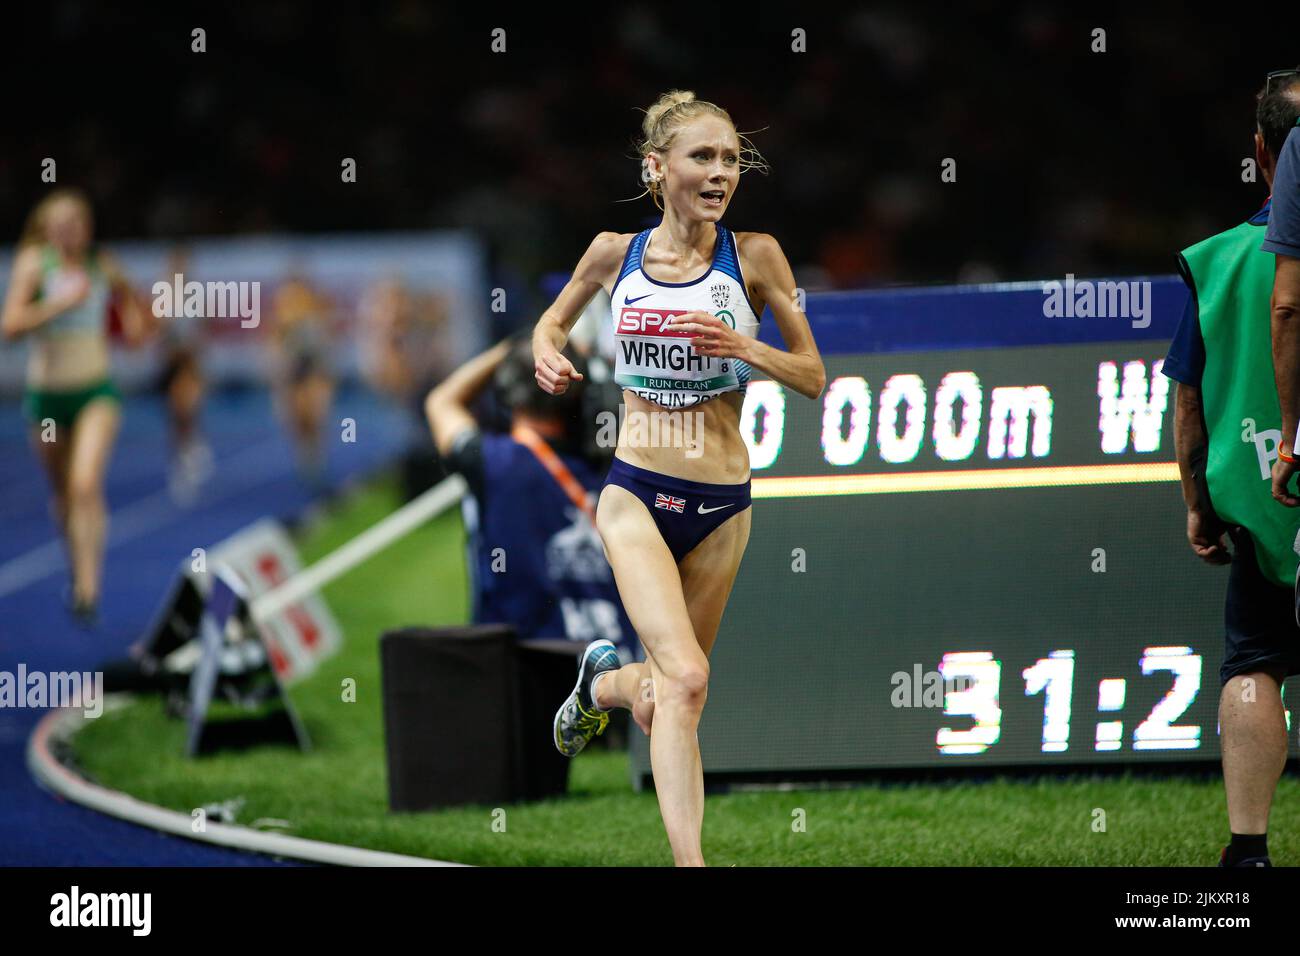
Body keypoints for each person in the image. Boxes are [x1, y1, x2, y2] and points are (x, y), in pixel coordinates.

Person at [532, 90, 825, 866]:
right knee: (689, 675)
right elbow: (552, 320)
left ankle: (605, 687)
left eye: (731, 159)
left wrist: (743, 344)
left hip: (724, 504)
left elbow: (813, 375)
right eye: (703, 156)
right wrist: (545, 350)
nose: (721, 171)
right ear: (656, 168)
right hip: (635, 492)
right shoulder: (611, 253)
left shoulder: (756, 256)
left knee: (675, 694)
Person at [1164, 69, 1300, 868]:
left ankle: (1247, 851)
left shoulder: (1217, 260)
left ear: (1259, 152)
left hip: (1258, 496)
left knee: (1257, 663)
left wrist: (1197, 503)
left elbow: (1190, 403)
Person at [425, 335, 636, 661]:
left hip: (524, 673)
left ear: (509, 389)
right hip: (612, 673)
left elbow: (441, 402)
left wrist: (512, 346)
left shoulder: (494, 461)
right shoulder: (619, 468)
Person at [1, 188, 149, 625]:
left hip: (94, 393)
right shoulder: (35, 264)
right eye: (61, 224)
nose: (71, 232)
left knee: (85, 485)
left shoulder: (102, 264)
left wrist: (138, 325)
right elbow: (10, 327)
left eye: (78, 223)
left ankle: (88, 587)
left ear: (88, 227)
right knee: (63, 496)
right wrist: (59, 304)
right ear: (46, 228)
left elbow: (135, 310)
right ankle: (76, 567)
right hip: (47, 400)